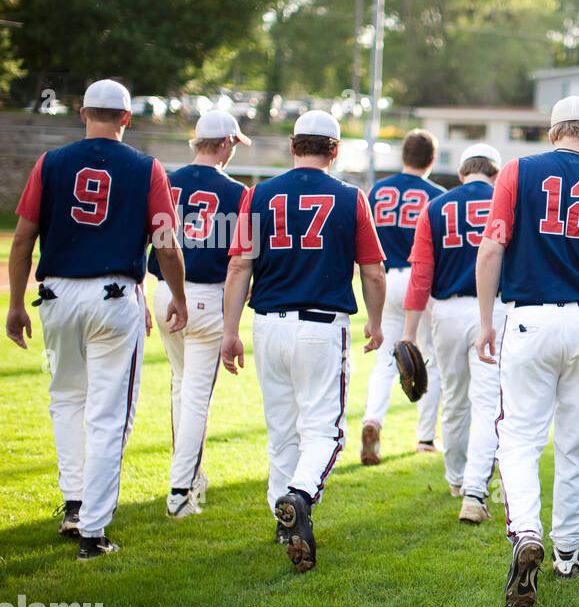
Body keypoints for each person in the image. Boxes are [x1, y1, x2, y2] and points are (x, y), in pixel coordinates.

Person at [475, 96, 579, 607]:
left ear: (553, 133)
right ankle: (567, 552)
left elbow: (491, 248)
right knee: (576, 444)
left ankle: (527, 531)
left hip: (530, 317)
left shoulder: (517, 172)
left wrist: (486, 320)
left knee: (520, 438)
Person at [7, 79, 186, 560]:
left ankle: (74, 502)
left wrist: (16, 303)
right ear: (127, 118)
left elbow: (23, 239)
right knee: (109, 416)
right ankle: (93, 531)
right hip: (113, 296)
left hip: (56, 294)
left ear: (82, 112)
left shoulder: (51, 162)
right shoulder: (147, 167)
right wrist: (179, 297)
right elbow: (166, 244)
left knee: (66, 399)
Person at [220, 110, 387, 573]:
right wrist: (375, 321)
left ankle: (283, 518)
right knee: (326, 432)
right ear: (335, 150)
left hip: (268, 323)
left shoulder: (257, 195)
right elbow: (371, 271)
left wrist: (229, 331)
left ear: (293, 146)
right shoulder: (350, 198)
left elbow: (238, 267)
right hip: (320, 325)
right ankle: (299, 496)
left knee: (281, 428)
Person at [148, 110, 250, 518]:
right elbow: (242, 262)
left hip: (164, 291)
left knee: (179, 384)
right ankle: (179, 491)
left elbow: (155, 241)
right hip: (206, 297)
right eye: (233, 144)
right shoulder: (239, 193)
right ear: (225, 143)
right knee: (195, 397)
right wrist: (233, 324)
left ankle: (188, 473)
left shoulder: (166, 182)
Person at [404, 143, 503, 521]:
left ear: (461, 173)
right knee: (487, 403)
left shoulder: (436, 206)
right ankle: (475, 491)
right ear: (494, 173)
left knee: (455, 398)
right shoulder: (504, 200)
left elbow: (421, 274)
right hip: (493, 310)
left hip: (445, 312)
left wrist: (410, 331)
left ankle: (457, 478)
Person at [360, 129, 446, 464]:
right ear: (432, 159)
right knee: (428, 359)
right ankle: (425, 438)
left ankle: (372, 420)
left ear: (403, 155)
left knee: (385, 361)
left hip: (383, 277)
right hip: (421, 280)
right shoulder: (436, 195)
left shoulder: (378, 190)